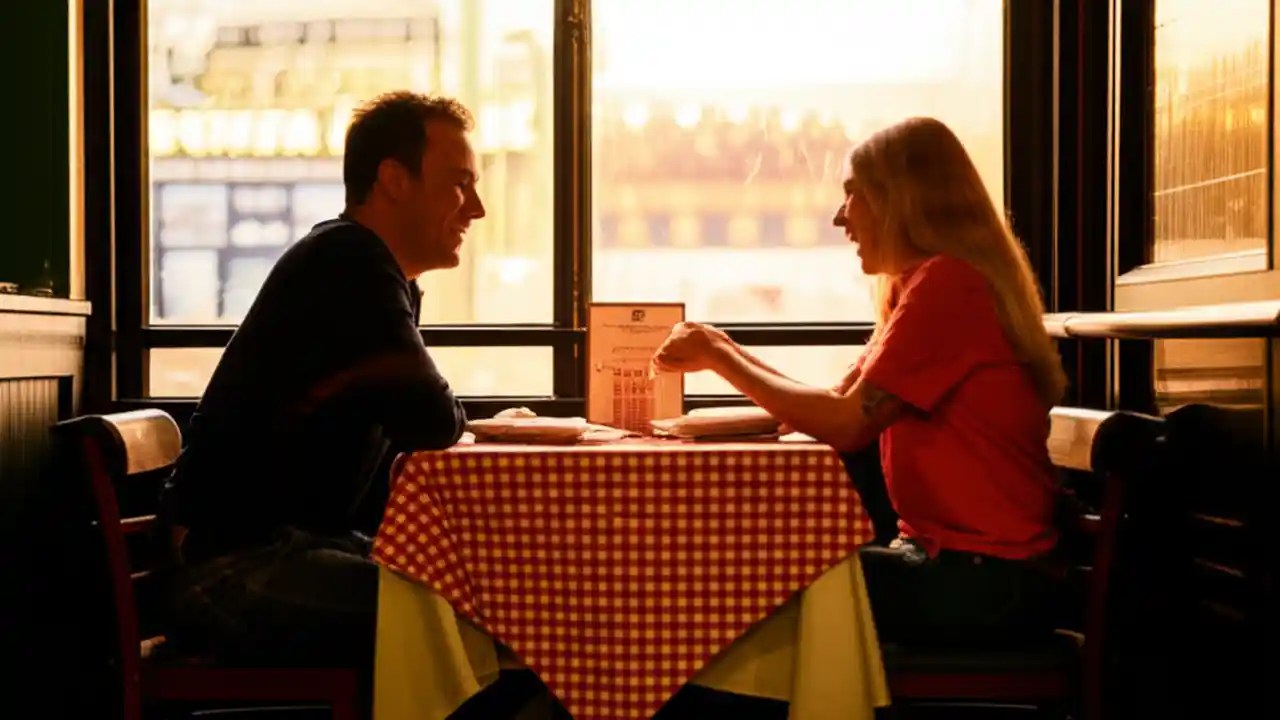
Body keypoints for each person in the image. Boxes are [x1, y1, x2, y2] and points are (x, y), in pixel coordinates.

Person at [652, 116, 1067, 647]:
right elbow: (832, 404)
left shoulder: (949, 286)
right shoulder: (922, 285)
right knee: (750, 583)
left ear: (900, 200)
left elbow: (845, 425)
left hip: (989, 581)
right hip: (967, 567)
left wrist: (717, 357)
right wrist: (722, 347)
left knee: (744, 590)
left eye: (853, 195)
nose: (838, 218)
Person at [160, 92, 481, 687]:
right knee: (471, 614)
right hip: (236, 571)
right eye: (461, 184)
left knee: (482, 595)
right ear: (393, 179)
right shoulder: (349, 264)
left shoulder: (362, 268)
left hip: (280, 551)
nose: (477, 208)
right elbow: (434, 419)